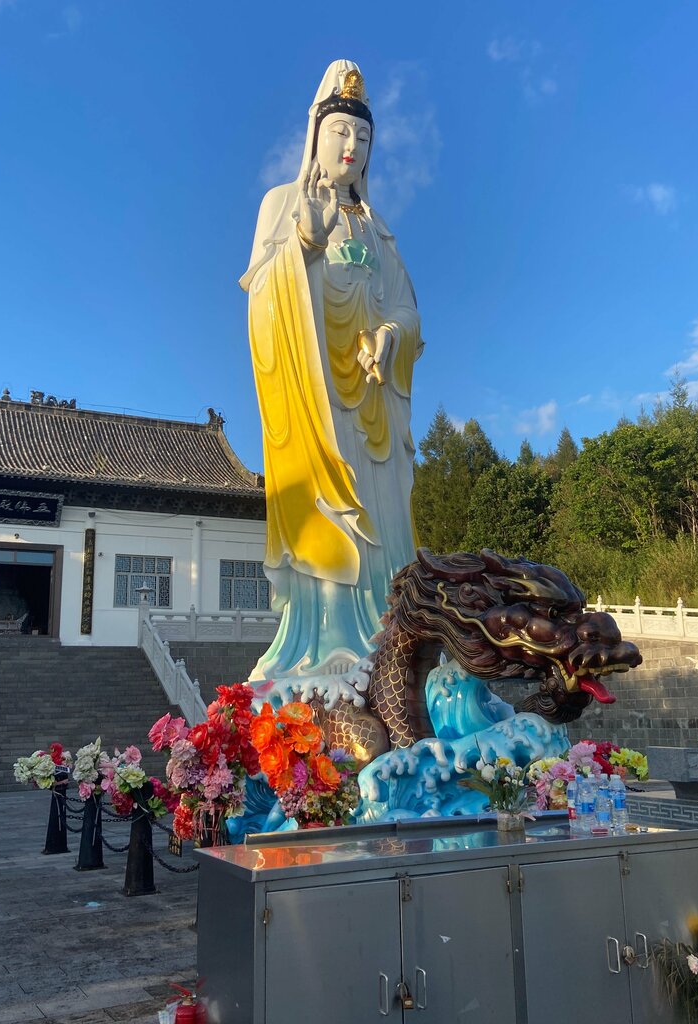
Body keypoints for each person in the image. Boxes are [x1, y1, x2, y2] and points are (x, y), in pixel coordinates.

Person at [240, 60, 423, 679]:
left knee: (385, 527)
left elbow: (404, 303)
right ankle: (323, 648)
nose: (353, 145)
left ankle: (393, 645)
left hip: (372, 403)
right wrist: (304, 248)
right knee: (330, 524)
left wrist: (392, 335)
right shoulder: (282, 204)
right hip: (317, 405)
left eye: (364, 137)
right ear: (316, 135)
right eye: (342, 130)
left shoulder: (377, 230)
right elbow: (260, 292)